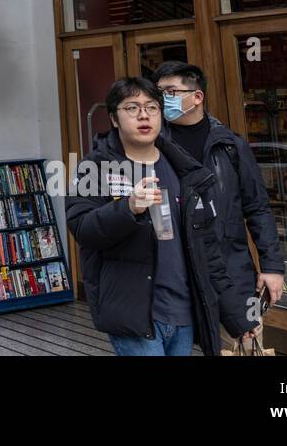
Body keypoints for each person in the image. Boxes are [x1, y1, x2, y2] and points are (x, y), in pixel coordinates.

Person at [66, 76, 254, 356]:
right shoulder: (94, 168)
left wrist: (237, 317)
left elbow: (208, 252)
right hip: (134, 313)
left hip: (184, 314)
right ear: (114, 119)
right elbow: (83, 227)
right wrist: (127, 208)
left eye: (152, 107)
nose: (144, 115)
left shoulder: (184, 169)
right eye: (131, 108)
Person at [154, 61, 285, 349]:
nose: (164, 99)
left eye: (171, 91)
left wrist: (272, 266)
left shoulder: (230, 145)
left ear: (197, 96)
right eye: (159, 92)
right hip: (176, 275)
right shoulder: (154, 144)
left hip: (231, 271)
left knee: (245, 346)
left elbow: (258, 207)